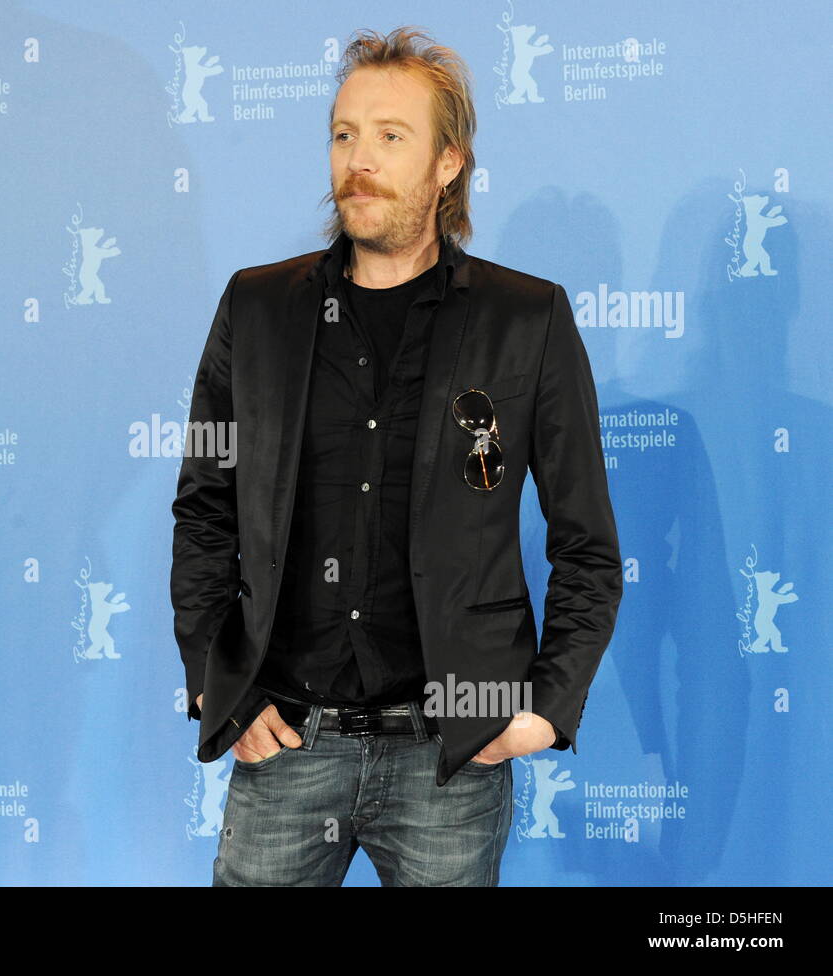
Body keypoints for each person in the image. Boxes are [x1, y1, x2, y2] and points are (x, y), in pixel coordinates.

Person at [170, 26, 622, 886]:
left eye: (390, 136)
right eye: (344, 135)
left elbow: (588, 548)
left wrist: (542, 710)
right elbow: (204, 504)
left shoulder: (527, 322)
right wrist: (213, 676)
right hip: (285, 737)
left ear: (449, 162)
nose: (358, 159)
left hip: (450, 754)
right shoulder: (255, 308)